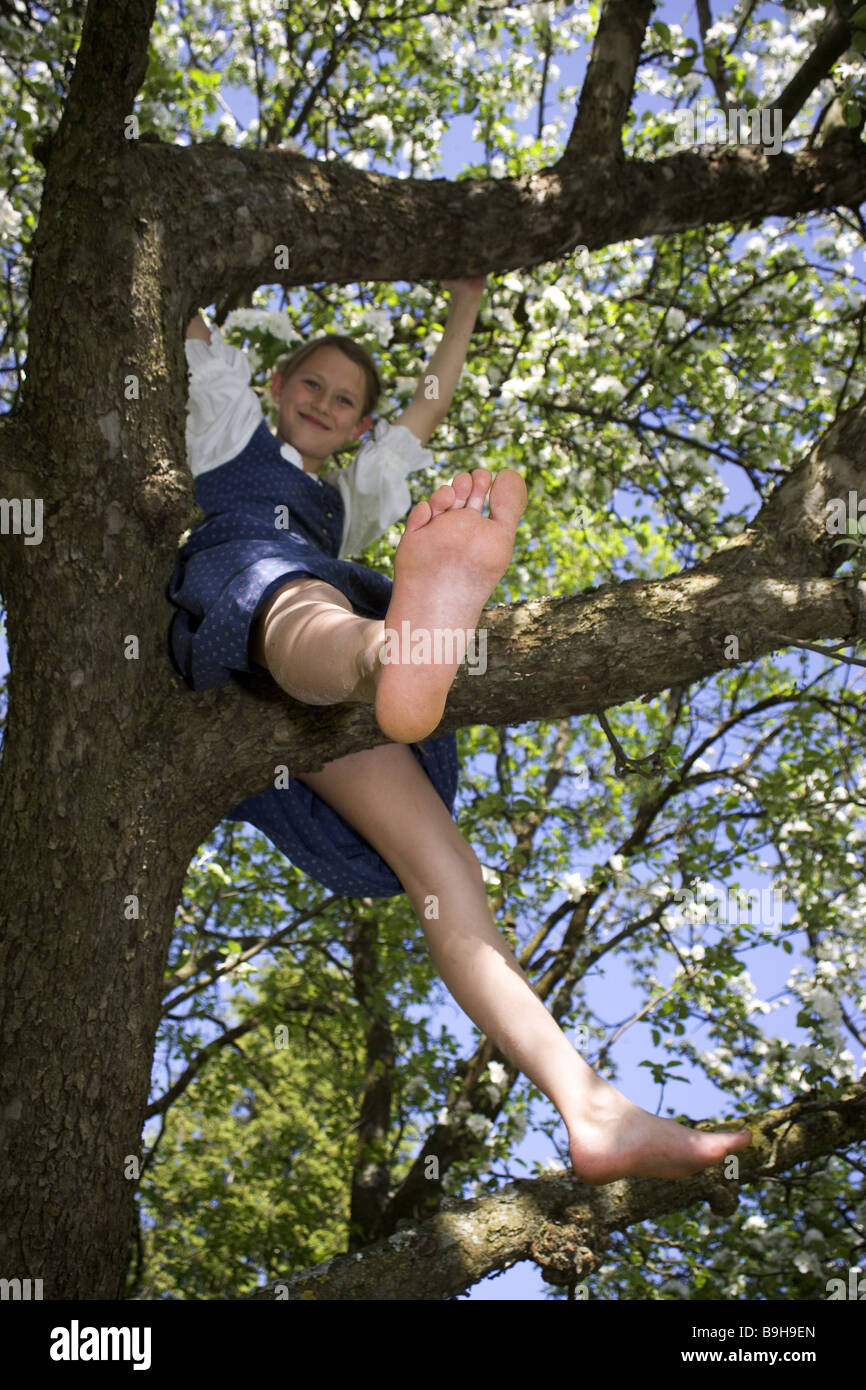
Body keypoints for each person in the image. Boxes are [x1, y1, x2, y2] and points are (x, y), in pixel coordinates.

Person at [167, 278, 751, 1183]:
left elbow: (427, 407)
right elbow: (181, 315)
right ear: (274, 385)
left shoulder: (353, 499)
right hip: (249, 589)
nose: (323, 403)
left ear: (362, 427)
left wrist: (467, 301)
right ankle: (392, 653)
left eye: (346, 399)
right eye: (310, 384)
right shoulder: (224, 424)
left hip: (318, 691)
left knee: (446, 870)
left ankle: (591, 1106)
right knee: (299, 591)